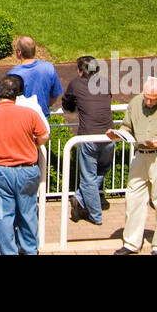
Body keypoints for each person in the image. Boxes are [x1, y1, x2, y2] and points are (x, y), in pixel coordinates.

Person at [0, 77, 49, 255]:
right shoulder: (30, 114)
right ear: (16, 94)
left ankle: (8, 251)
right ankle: (30, 249)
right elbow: (43, 136)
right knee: (28, 212)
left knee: (2, 216)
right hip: (27, 170)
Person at [111, 76, 157, 255]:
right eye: (147, 97)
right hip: (141, 155)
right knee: (133, 198)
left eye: (153, 99)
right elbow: (127, 126)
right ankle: (131, 243)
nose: (149, 102)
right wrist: (117, 134)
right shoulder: (136, 102)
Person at [62, 55, 112, 226]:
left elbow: (67, 103)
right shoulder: (105, 82)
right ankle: (80, 198)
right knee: (101, 170)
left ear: (81, 71)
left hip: (89, 137)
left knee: (89, 178)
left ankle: (95, 214)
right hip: (108, 136)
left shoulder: (76, 83)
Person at [8, 36, 62, 116]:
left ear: (19, 52)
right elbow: (54, 96)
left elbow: (9, 103)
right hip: (42, 121)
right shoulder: (48, 67)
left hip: (23, 122)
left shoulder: (13, 74)